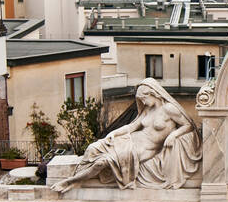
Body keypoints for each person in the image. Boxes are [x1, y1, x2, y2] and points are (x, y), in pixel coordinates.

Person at [52, 78, 201, 191]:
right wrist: (112, 134)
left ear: (153, 94)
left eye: (143, 98)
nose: (142, 101)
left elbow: (189, 125)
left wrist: (173, 135)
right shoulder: (148, 110)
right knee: (94, 148)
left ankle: (72, 181)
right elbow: (132, 126)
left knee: (102, 162)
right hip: (130, 140)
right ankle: (76, 176)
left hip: (144, 149)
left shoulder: (169, 109)